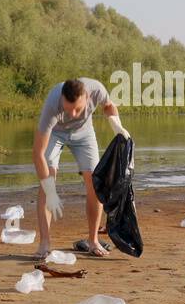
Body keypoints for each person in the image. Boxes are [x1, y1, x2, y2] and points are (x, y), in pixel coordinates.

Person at [32, 77, 129, 259]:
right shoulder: (53, 105)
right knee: (48, 181)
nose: (74, 114)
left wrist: (117, 126)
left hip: (84, 133)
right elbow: (38, 153)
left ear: (86, 96)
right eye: (69, 109)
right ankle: (45, 242)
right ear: (62, 99)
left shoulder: (96, 89)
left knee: (95, 181)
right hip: (56, 133)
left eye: (78, 108)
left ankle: (93, 241)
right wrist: (51, 191)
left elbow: (108, 106)